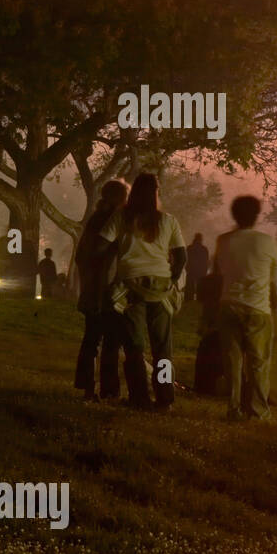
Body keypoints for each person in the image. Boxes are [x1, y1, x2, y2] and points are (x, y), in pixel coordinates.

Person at [99, 172, 185, 411]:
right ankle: (165, 399)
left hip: (130, 286)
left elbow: (101, 245)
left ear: (134, 192)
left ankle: (139, 398)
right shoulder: (168, 221)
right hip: (160, 286)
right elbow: (181, 256)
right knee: (162, 348)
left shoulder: (121, 218)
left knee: (134, 347)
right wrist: (172, 279)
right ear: (156, 193)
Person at [214, 196, 277, 422]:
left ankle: (233, 408)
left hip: (229, 304)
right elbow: (275, 277)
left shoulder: (223, 241)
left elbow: (218, 271)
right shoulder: (266, 242)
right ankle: (258, 410)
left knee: (233, 362)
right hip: (258, 307)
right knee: (259, 362)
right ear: (256, 216)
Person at [74, 179, 128, 400]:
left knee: (91, 338)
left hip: (91, 288)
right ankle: (109, 389)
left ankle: (88, 386)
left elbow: (80, 256)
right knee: (111, 341)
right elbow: (108, 259)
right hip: (107, 289)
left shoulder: (94, 220)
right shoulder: (114, 222)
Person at [193, 258, 226, 397]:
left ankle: (203, 386)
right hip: (224, 320)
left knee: (206, 353)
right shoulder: (228, 282)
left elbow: (200, 298)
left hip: (209, 319)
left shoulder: (205, 280)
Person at [184, 234, 209, 302]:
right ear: (201, 239)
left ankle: (188, 300)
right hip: (200, 271)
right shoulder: (204, 249)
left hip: (191, 270)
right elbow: (206, 262)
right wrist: (205, 271)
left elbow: (186, 260)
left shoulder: (189, 248)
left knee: (189, 287)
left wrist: (186, 269)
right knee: (200, 287)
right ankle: (199, 300)